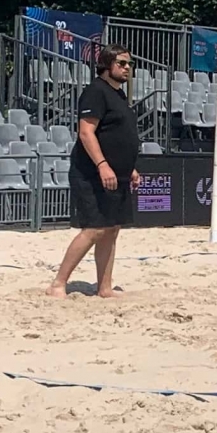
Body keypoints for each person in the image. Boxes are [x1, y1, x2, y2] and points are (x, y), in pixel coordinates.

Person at [49, 48, 141, 297]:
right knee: (94, 229)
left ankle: (104, 287)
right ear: (105, 64)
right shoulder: (95, 92)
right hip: (91, 172)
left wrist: (128, 167)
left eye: (129, 63)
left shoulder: (118, 96)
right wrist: (102, 165)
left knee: (112, 229)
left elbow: (117, 135)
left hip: (116, 174)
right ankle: (58, 283)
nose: (127, 68)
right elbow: (86, 133)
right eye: (121, 63)